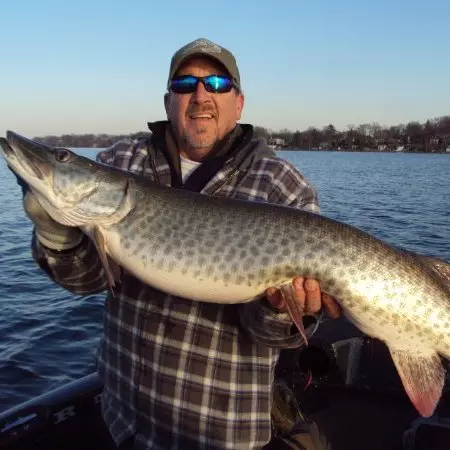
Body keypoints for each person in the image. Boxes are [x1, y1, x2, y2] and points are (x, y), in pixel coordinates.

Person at [21, 38, 340, 449]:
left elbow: (281, 336)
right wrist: (56, 235)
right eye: (185, 83)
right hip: (121, 420)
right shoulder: (123, 162)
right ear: (169, 100)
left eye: (217, 83)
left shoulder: (283, 186)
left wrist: (282, 310)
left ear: (238, 102)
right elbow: (86, 280)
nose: (201, 95)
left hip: (218, 435)